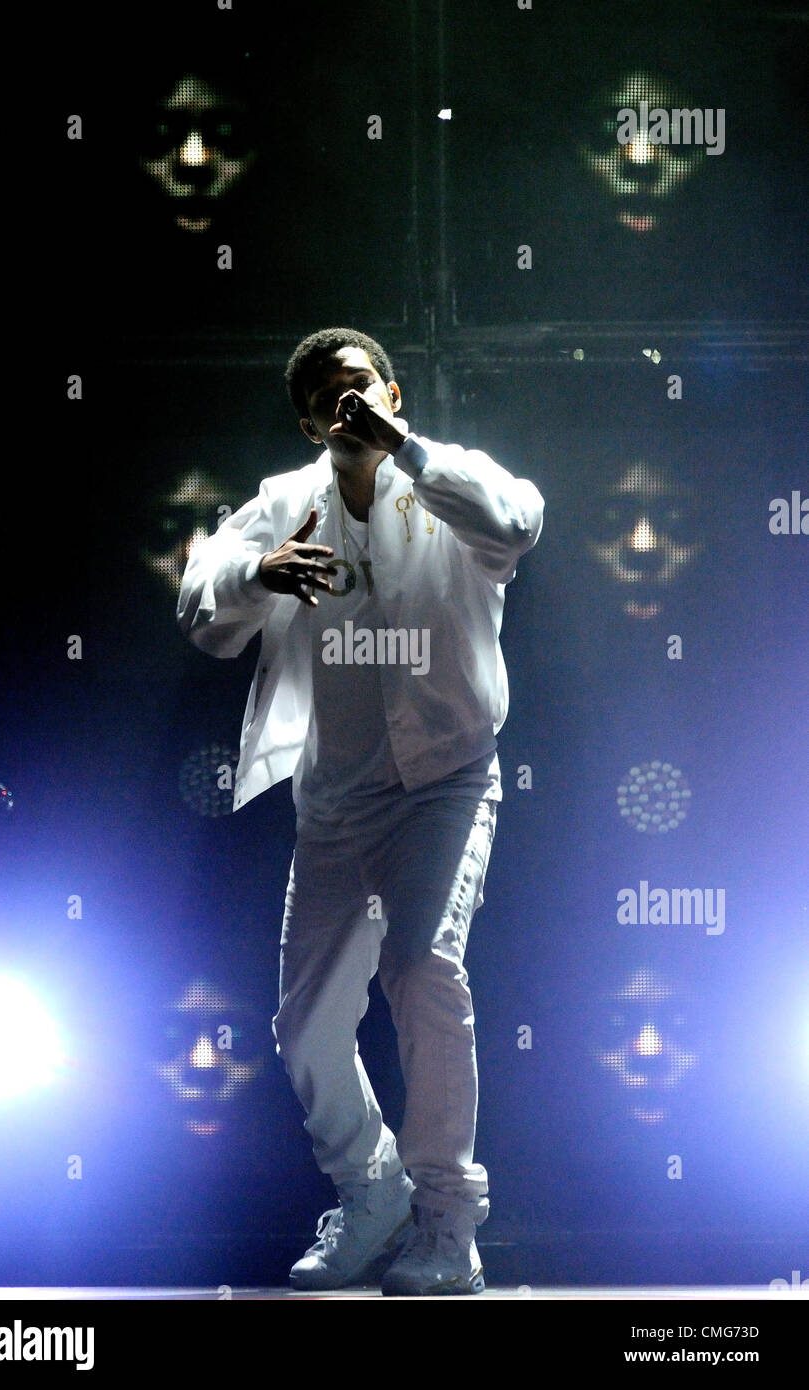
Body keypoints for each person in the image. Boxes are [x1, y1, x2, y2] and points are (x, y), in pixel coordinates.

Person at [176, 327, 544, 1295]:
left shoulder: (444, 480)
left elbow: (515, 525)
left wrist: (409, 450)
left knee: (421, 963)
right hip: (337, 804)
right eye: (332, 397)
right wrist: (256, 578)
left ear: (392, 392)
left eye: (367, 389)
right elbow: (198, 609)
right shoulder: (282, 506)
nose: (353, 407)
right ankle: (368, 1186)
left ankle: (444, 1221)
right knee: (302, 1029)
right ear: (308, 419)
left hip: (446, 783)